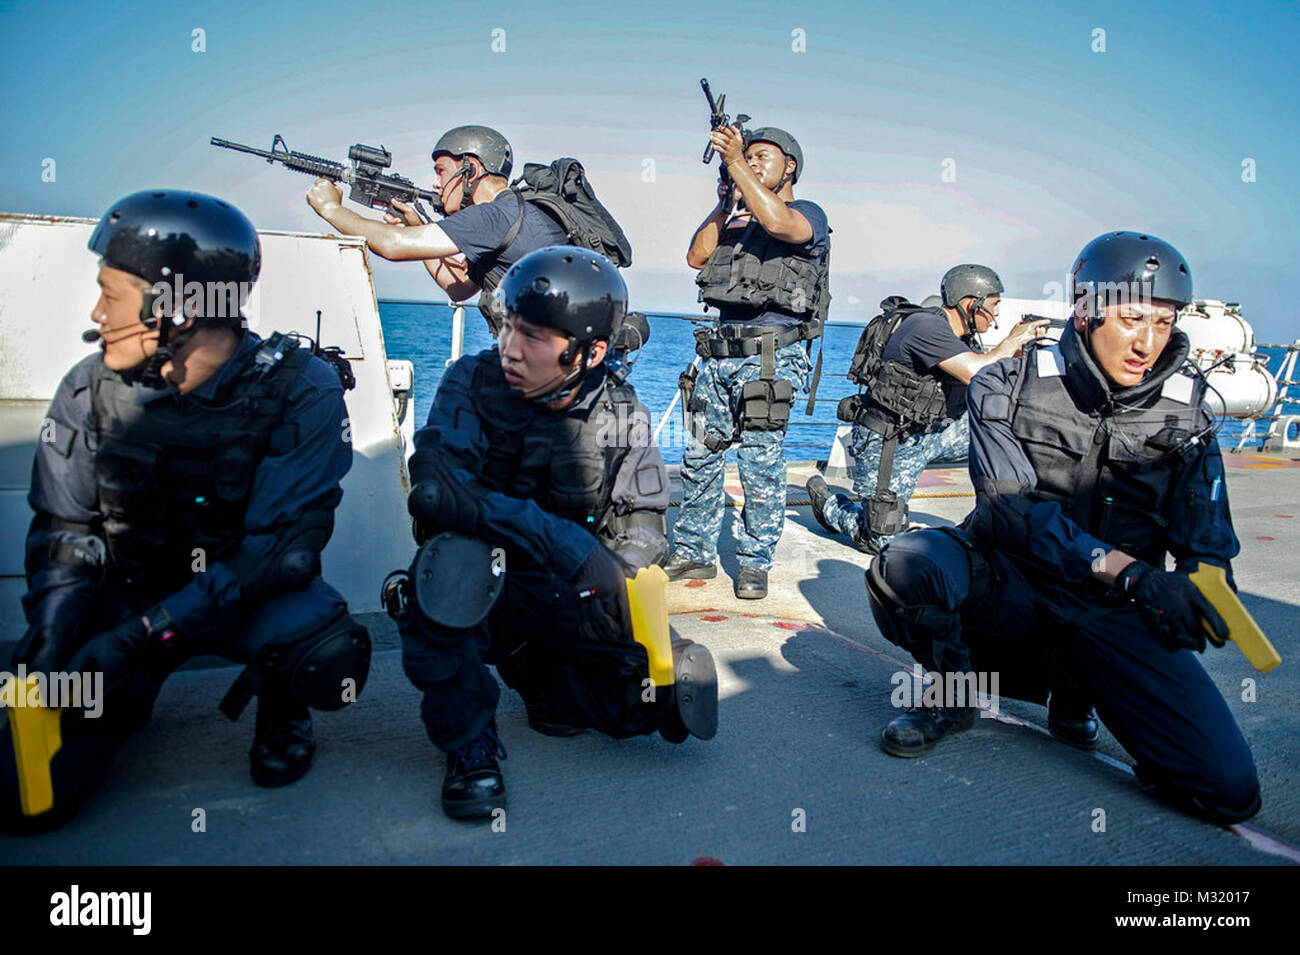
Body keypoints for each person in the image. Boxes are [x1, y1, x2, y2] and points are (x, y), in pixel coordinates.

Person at [0, 190, 371, 830]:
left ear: (179, 307)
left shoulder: (300, 389)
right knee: (28, 803)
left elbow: (278, 551)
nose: (95, 313)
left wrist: (141, 638)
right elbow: (64, 527)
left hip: (238, 596)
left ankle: (282, 713)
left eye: (111, 296)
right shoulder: (91, 386)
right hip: (129, 589)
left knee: (317, 637)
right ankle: (119, 695)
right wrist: (54, 637)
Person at [864, 231, 1261, 825]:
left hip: (1111, 613)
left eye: (1163, 321)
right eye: (1130, 318)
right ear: (1085, 310)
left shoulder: (1191, 411)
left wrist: (1203, 583)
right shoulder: (1009, 383)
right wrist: (1131, 575)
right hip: (1011, 587)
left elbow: (1206, 532)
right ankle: (953, 693)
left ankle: (1082, 697)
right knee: (905, 564)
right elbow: (1010, 510)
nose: (1147, 342)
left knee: (1229, 792)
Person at [394, 246, 718, 822]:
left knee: (654, 705)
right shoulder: (471, 382)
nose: (511, 349)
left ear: (591, 351)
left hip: (570, 589)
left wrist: (621, 575)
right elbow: (437, 491)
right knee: (451, 567)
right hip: (491, 582)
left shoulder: (621, 409)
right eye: (511, 327)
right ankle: (470, 744)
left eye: (535, 337)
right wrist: (560, 543)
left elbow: (644, 519)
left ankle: (548, 682)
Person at [663, 125, 830, 599]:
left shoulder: (806, 213)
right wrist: (725, 199)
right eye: (747, 156)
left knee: (759, 462)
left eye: (763, 157)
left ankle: (755, 562)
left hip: (769, 358)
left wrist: (736, 161)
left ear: (790, 166)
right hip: (716, 357)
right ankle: (694, 550)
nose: (753, 162)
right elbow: (696, 256)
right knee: (699, 456)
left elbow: (780, 225)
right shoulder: (735, 218)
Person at [806, 267, 1048, 553]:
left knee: (1015, 431)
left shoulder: (963, 338)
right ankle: (832, 505)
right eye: (994, 305)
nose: (997, 315)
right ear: (972, 303)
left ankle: (991, 519)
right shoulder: (926, 327)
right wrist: (1012, 341)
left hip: (936, 432)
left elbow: (989, 381)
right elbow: (975, 373)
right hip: (891, 442)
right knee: (883, 542)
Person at [306, 125, 567, 333]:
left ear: (471, 170)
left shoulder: (490, 217)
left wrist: (331, 208)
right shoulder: (518, 211)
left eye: (441, 172)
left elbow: (393, 245)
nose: (435, 184)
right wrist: (418, 227)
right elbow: (459, 287)